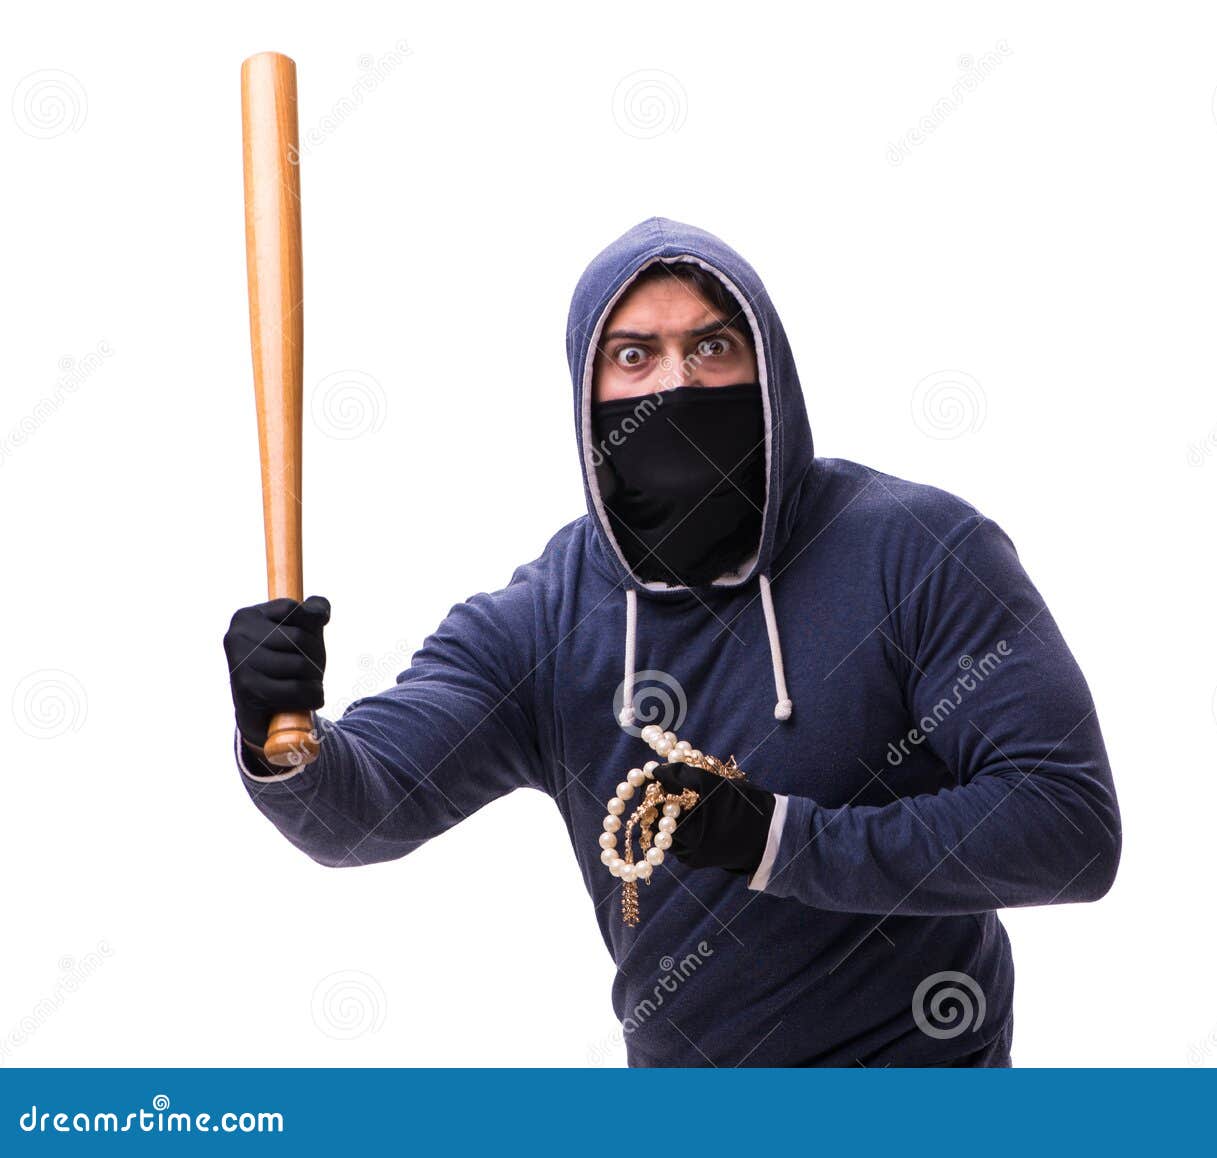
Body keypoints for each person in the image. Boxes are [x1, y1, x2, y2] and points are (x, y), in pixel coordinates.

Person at [224, 217, 1122, 1066]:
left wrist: (781, 839)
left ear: (768, 368)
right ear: (589, 393)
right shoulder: (546, 620)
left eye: (711, 347)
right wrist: (280, 733)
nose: (675, 386)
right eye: (634, 355)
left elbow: (1069, 827)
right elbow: (358, 814)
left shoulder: (917, 550)